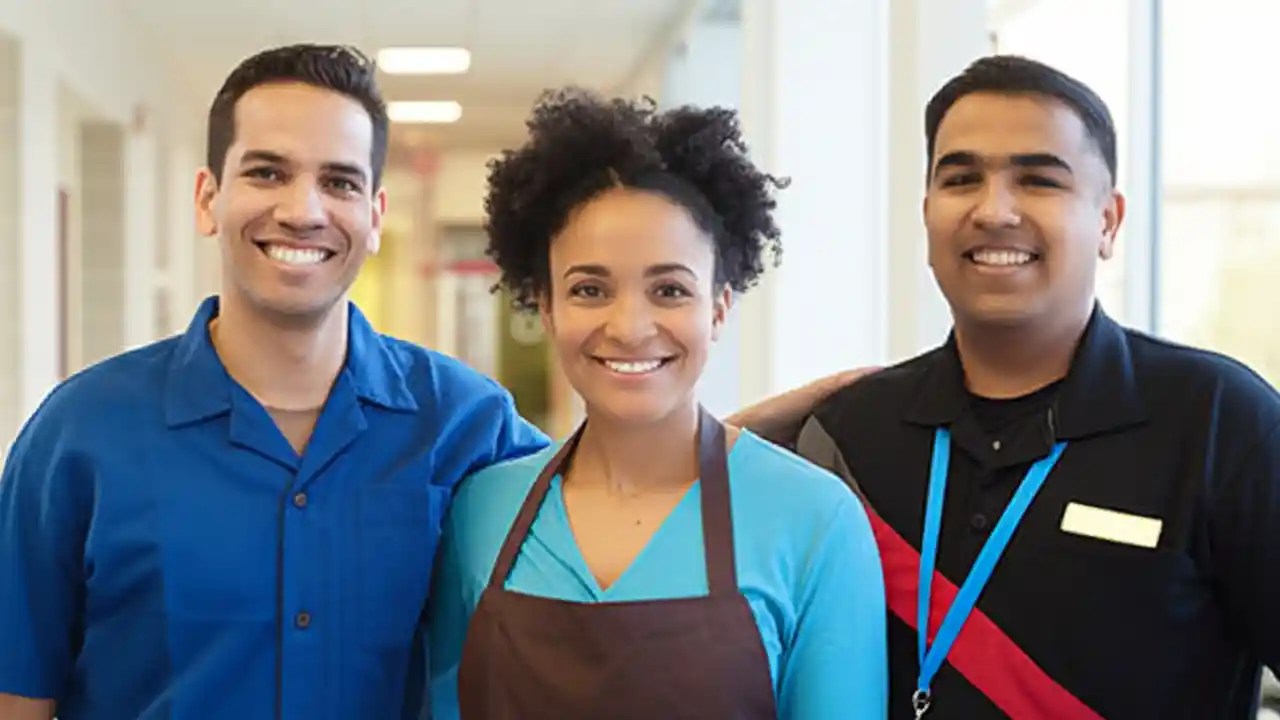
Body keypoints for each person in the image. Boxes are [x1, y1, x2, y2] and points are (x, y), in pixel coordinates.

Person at [0, 44, 548, 720]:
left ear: (374, 217)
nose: (303, 210)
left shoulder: (467, 425)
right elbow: (19, 692)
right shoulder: (80, 433)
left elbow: (618, 503)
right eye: (267, 172)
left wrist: (716, 445)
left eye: (340, 182)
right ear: (208, 198)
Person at [785, 55, 1280, 718]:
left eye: (1038, 181)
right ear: (927, 210)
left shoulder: (1220, 422)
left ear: (1108, 220)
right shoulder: (847, 437)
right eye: (961, 179)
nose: (994, 210)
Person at [425, 88, 889, 719]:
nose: (629, 326)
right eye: (590, 289)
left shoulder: (814, 520)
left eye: (669, 289)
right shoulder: (483, 510)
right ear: (546, 304)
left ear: (719, 307)